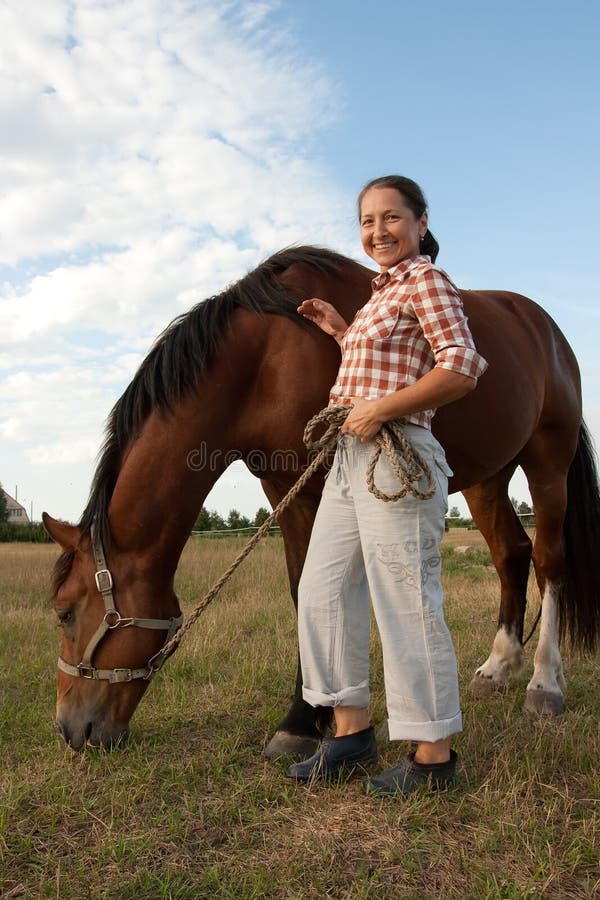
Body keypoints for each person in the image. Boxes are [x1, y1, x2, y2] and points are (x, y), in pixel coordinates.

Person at [287, 175, 488, 797]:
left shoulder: (426, 280)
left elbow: (460, 364)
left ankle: (433, 756)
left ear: (421, 223)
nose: (379, 231)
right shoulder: (380, 295)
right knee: (321, 588)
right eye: (368, 221)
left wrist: (381, 410)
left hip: (397, 457)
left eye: (392, 218)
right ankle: (349, 732)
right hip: (351, 458)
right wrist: (341, 331)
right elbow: (388, 356)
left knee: (405, 597)